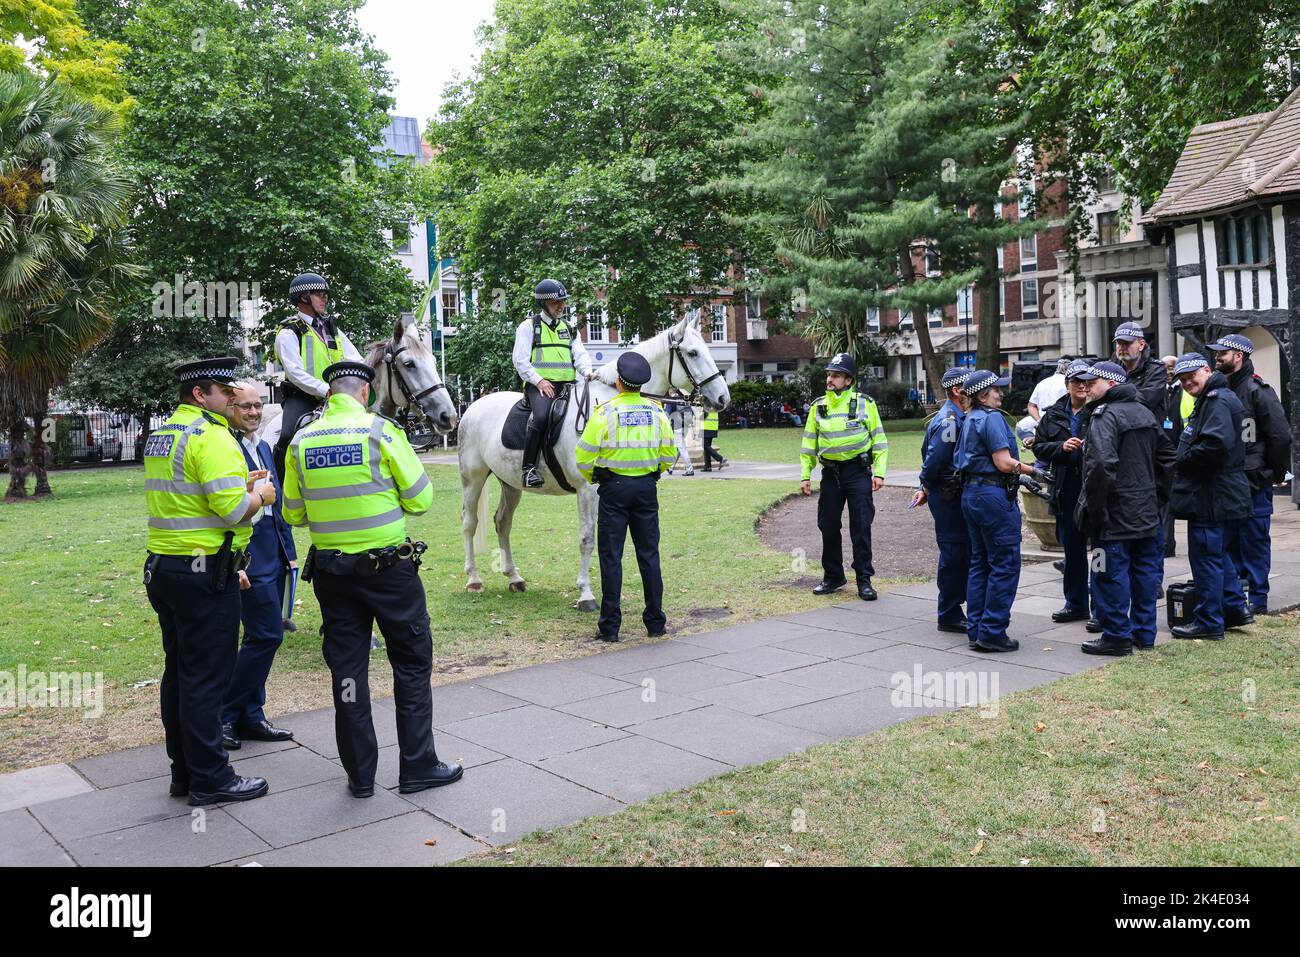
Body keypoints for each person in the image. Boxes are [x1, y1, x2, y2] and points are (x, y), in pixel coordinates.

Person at [282, 360, 461, 797]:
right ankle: (417, 766)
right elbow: (421, 500)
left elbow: (292, 513)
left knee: (348, 673)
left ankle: (360, 776)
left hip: (332, 573)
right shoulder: (381, 432)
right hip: (389, 573)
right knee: (412, 664)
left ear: (329, 395)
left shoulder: (301, 440)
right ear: (364, 393)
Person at [143, 357, 276, 806]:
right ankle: (211, 778)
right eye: (225, 390)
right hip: (204, 575)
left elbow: (190, 497)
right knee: (205, 680)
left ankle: (184, 771)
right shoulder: (214, 435)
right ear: (201, 394)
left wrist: (240, 484)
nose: (234, 398)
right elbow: (234, 511)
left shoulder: (164, 433)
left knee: (179, 674)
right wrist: (259, 493)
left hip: (168, 567)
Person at [1071, 361, 1172, 654]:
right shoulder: (1145, 413)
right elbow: (1167, 459)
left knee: (1107, 574)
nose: (1086, 387)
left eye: (1092, 382)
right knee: (1144, 575)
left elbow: (1101, 466)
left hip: (1113, 515)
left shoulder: (1105, 415)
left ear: (1111, 385)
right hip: (1145, 512)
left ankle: (1116, 636)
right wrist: (1157, 497)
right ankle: (1144, 634)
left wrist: (1096, 509)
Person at [575, 352, 677, 642]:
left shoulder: (605, 413)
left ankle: (610, 627)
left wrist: (594, 476)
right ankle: (655, 623)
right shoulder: (657, 412)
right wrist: (655, 469)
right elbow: (671, 454)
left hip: (613, 491)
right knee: (649, 555)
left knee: (611, 558)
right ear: (640, 384)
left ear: (618, 382)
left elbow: (582, 455)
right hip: (646, 490)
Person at [221, 382, 296, 750]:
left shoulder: (263, 446)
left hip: (274, 556)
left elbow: (276, 505)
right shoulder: (227, 449)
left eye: (257, 405)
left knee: (260, 637)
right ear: (229, 408)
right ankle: (225, 714)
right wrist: (235, 564)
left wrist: (289, 552)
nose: (252, 412)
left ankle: (251, 715)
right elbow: (225, 512)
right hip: (249, 560)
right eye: (244, 406)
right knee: (267, 636)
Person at [954, 369, 1048, 652]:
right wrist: (1037, 472)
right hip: (993, 497)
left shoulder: (970, 418)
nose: (1001, 393)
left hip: (972, 494)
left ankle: (977, 629)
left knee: (980, 562)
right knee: (1004, 564)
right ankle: (993, 631)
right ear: (983, 394)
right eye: (997, 389)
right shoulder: (992, 419)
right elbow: (1004, 462)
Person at [1168, 353, 1254, 640]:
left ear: (1207, 370)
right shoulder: (1218, 397)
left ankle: (1209, 621)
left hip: (1210, 493)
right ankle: (1234, 608)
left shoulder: (1216, 400)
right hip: (1219, 492)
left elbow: (1214, 446)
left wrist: (1183, 459)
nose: (1187, 382)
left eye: (1191, 375)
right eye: (1181, 379)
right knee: (1217, 555)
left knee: (1205, 557)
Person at [1208, 334, 1292, 614]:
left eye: (1223, 353)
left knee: (1254, 541)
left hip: (1253, 481)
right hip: (1226, 481)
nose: (1217, 357)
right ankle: (1236, 596)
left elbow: (1280, 436)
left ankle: (1257, 599)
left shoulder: (1258, 390)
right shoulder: (1220, 390)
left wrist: (1274, 472)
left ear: (1239, 356)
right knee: (1230, 541)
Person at [799, 353, 888, 601]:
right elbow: (808, 444)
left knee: (860, 526)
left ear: (848, 380)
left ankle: (864, 580)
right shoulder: (818, 406)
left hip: (857, 472)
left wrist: (879, 472)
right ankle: (833, 577)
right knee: (827, 525)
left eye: (836, 375)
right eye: (829, 374)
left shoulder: (864, 404)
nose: (830, 379)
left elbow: (879, 441)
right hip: (830, 474)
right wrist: (805, 475)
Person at [272, 272, 363, 483]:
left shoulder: (331, 328)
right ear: (303, 297)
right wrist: (325, 390)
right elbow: (295, 372)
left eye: (326, 295)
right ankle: (277, 482)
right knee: (286, 434)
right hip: (303, 397)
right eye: (319, 294)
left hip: (339, 396)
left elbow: (355, 358)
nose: (325, 298)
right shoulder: (289, 331)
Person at [512, 279, 596, 488]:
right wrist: (538, 380)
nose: (561, 306)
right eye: (556, 302)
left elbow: (580, 355)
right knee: (540, 417)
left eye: (563, 301)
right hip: (541, 386)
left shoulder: (569, 328)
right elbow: (520, 360)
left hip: (568, 385)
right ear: (543, 304)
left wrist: (587, 372)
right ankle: (529, 468)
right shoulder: (528, 327)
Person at [1032, 359, 1093, 625]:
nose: (1082, 385)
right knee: (1073, 549)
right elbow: (1039, 447)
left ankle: (1103, 607)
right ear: (1067, 384)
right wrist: (1061, 448)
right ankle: (1076, 603)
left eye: (1086, 381)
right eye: (1076, 381)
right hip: (1066, 487)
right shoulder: (1053, 414)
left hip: (1096, 486)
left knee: (1104, 550)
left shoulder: (1100, 410)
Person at [911, 368, 970, 632]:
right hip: (947, 494)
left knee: (959, 550)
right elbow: (934, 460)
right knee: (953, 551)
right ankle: (948, 612)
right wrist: (925, 484)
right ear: (958, 391)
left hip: (949, 492)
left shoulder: (955, 416)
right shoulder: (949, 421)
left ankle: (954, 607)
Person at [1027, 356, 1070, 422]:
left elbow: (1031, 406)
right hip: (1061, 424)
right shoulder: (1069, 384)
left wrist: (1039, 420)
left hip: (1042, 424)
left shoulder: (1042, 383)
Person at [665, 389, 695, 476]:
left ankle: (690, 469)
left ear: (670, 391)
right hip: (685, 425)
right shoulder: (684, 398)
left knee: (682, 448)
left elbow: (667, 414)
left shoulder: (671, 400)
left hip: (677, 426)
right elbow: (691, 412)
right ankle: (670, 468)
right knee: (678, 448)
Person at [701, 405, 726, 471]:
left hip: (707, 427)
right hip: (713, 427)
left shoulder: (707, 406)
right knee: (707, 447)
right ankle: (708, 466)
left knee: (705, 446)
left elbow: (702, 417)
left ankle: (721, 459)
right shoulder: (715, 404)